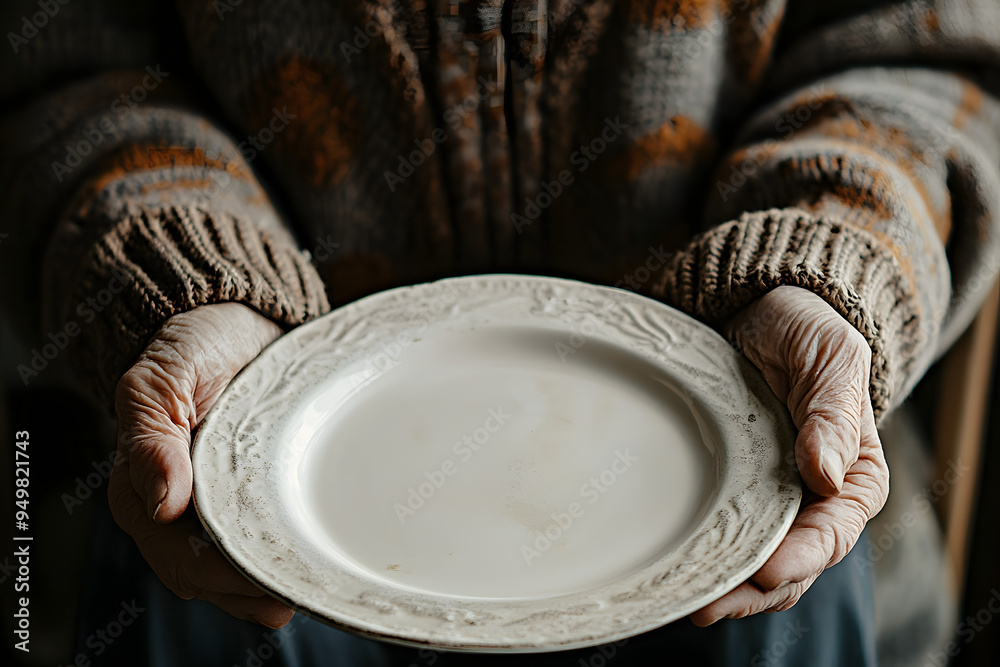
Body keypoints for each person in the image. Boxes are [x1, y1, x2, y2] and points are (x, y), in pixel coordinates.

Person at [1, 0, 998, 664]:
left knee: (790, 587)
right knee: (201, 592)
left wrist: (830, 257)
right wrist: (175, 272)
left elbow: (924, 49)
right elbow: (60, 61)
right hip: (246, 453)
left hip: (743, 438)